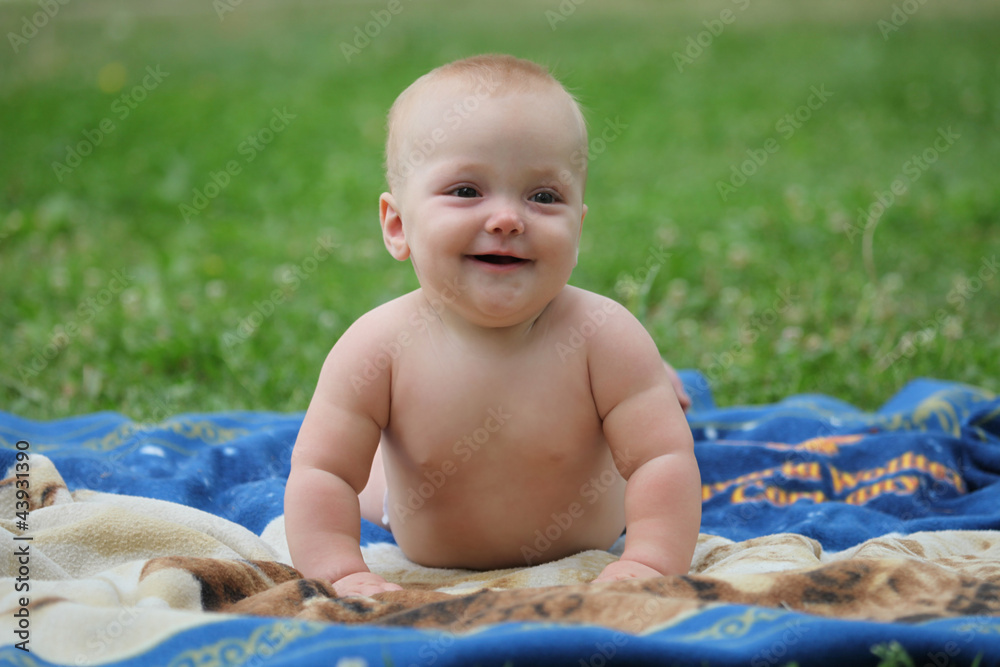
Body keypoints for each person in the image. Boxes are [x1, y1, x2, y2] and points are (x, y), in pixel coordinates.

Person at [284, 54, 700, 598]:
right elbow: (324, 474)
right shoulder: (377, 348)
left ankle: (650, 389)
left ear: (579, 225)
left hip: (589, 530)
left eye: (544, 197)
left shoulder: (603, 337)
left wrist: (648, 561)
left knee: (650, 417)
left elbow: (662, 460)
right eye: (465, 191)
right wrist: (341, 572)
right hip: (410, 517)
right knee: (367, 486)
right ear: (397, 225)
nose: (506, 218)